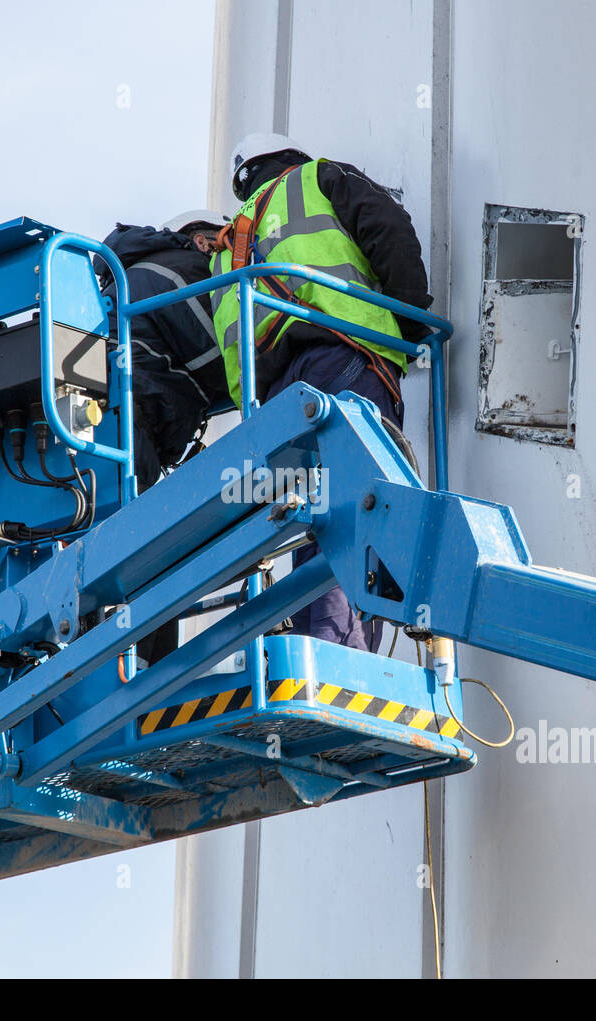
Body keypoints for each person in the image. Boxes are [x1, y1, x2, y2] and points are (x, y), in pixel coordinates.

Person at [209, 134, 433, 651]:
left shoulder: (226, 249)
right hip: (345, 359)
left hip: (280, 403)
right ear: (290, 158)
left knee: (316, 515)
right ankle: (345, 657)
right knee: (359, 506)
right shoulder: (318, 179)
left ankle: (319, 649)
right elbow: (389, 229)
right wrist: (411, 321)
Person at [99, 211, 230, 493]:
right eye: (226, 243)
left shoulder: (128, 278)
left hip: (111, 405)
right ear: (201, 242)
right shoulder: (186, 266)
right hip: (138, 405)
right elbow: (217, 357)